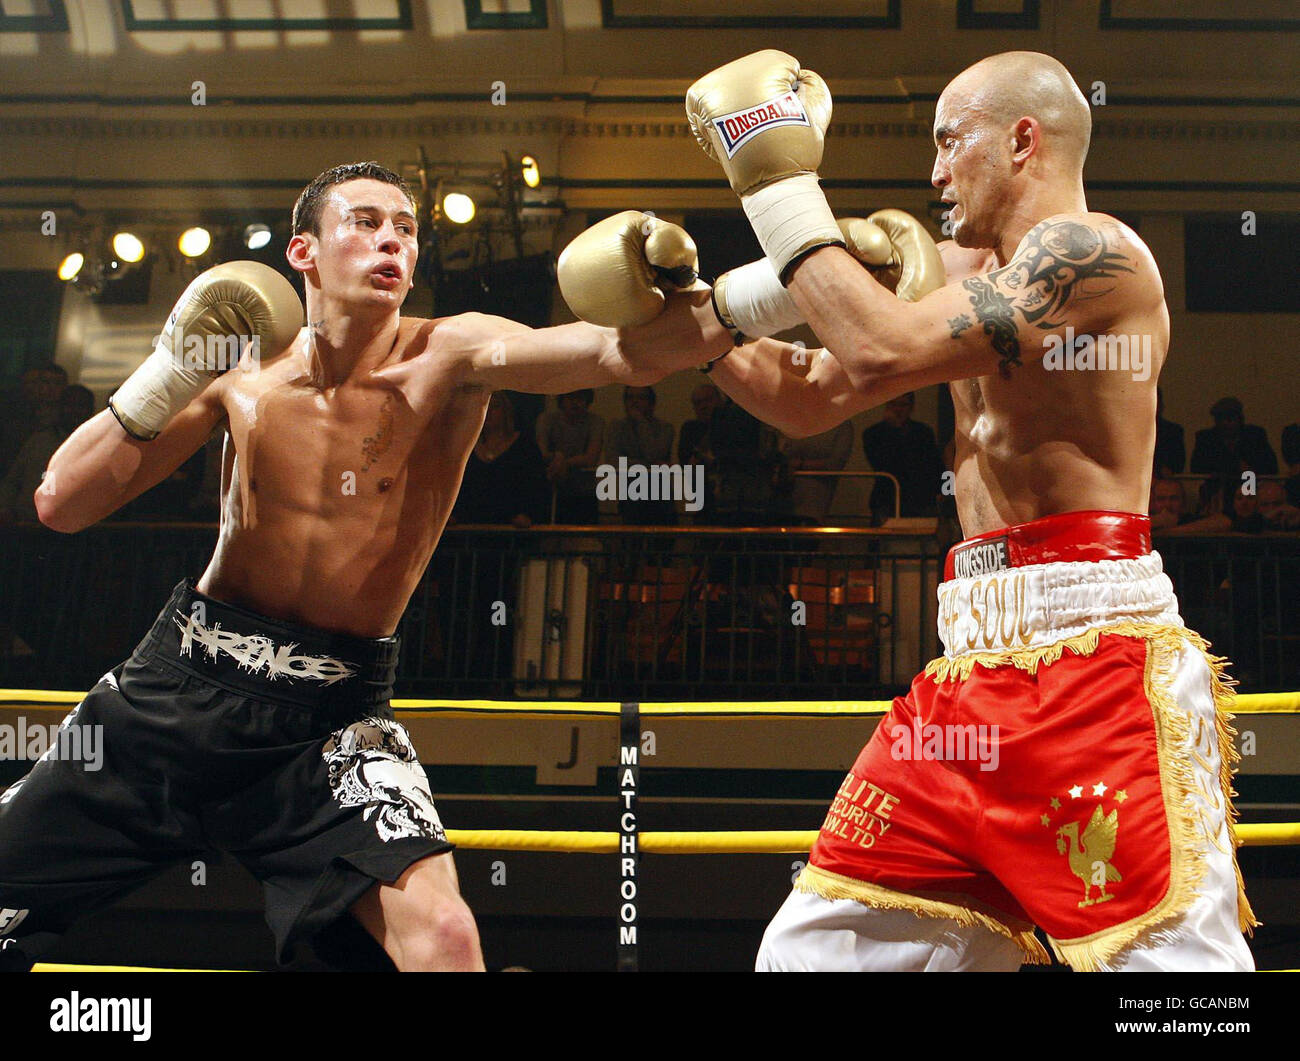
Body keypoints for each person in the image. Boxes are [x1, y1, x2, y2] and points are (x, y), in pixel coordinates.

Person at [0, 160, 731, 972]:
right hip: (178, 687)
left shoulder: (450, 351)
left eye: (406, 228)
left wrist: (696, 287)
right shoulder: (236, 371)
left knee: (444, 940)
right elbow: (61, 501)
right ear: (302, 251)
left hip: (330, 718)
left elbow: (624, 355)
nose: (391, 239)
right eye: (365, 222)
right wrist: (171, 366)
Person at [680, 49, 1254, 970]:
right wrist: (694, 321)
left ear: (1023, 139)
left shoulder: (1096, 254)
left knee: (1170, 976)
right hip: (968, 667)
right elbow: (810, 395)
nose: (934, 170)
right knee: (812, 955)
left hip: (1093, 645)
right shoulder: (950, 266)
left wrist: (775, 176)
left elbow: (877, 349)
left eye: (951, 141)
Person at [0, 385, 94, 524]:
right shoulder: (38, 441)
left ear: (91, 410)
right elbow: (13, 482)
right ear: (59, 408)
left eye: (80, 405)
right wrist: (4, 509)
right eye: (69, 405)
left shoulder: (101, 445)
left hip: (82, 525)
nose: (74, 411)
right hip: (28, 521)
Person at [859, 392, 944, 522]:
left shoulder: (923, 432)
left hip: (921, 497)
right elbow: (881, 463)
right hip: (888, 497)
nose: (898, 409)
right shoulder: (874, 433)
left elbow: (933, 464)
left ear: (911, 407)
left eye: (903, 405)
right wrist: (893, 430)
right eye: (893, 404)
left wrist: (942, 492)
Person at [606, 385, 677, 525]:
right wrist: (649, 465)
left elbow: (654, 454)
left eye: (641, 397)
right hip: (631, 491)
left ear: (652, 403)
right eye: (630, 398)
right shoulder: (616, 427)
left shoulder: (665, 428)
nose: (634, 402)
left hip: (660, 493)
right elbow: (613, 461)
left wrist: (641, 422)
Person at [536, 389, 605, 524]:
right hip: (551, 488)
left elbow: (592, 458)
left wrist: (564, 461)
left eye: (580, 398)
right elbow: (540, 453)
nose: (575, 402)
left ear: (587, 400)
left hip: (583, 491)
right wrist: (558, 456)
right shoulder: (547, 419)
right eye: (570, 397)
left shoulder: (595, 421)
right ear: (562, 399)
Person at [780, 419, 853, 523]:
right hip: (788, 487)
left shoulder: (841, 425)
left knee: (809, 524)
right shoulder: (799, 420)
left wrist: (800, 464)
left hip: (817, 490)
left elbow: (836, 462)